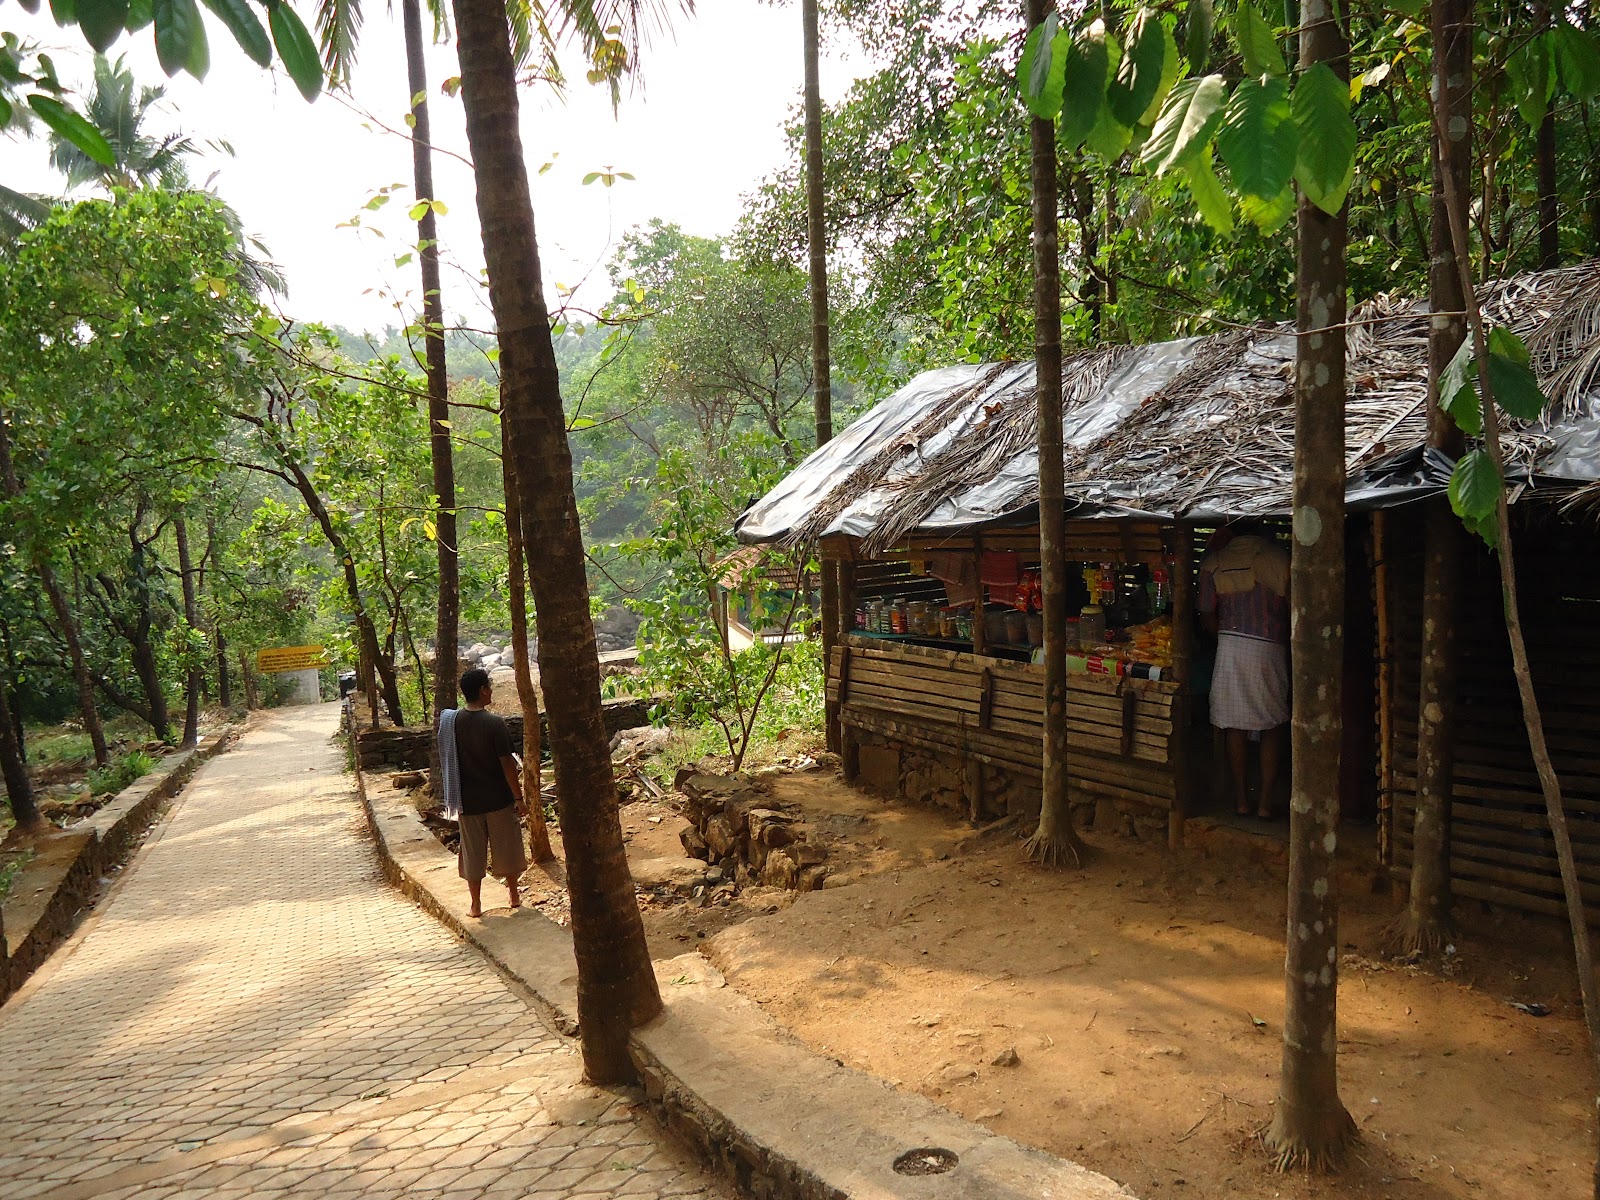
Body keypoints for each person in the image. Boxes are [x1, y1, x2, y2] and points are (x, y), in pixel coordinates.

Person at [1198, 525, 1291, 819]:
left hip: (1230, 646)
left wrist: (1224, 636)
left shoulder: (1214, 563)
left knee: (1233, 726)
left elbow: (1205, 613)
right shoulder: (1281, 559)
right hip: (1270, 648)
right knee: (1271, 725)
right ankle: (1264, 803)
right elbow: (1295, 610)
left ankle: (1240, 799)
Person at [448, 668, 528, 917]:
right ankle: (513, 895)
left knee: (472, 852)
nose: (492, 691)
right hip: (498, 799)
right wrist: (518, 797)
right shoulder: (494, 724)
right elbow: (507, 764)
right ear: (482, 691)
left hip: (467, 801)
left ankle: (476, 904)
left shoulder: (452, 723)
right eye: (489, 687)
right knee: (507, 847)